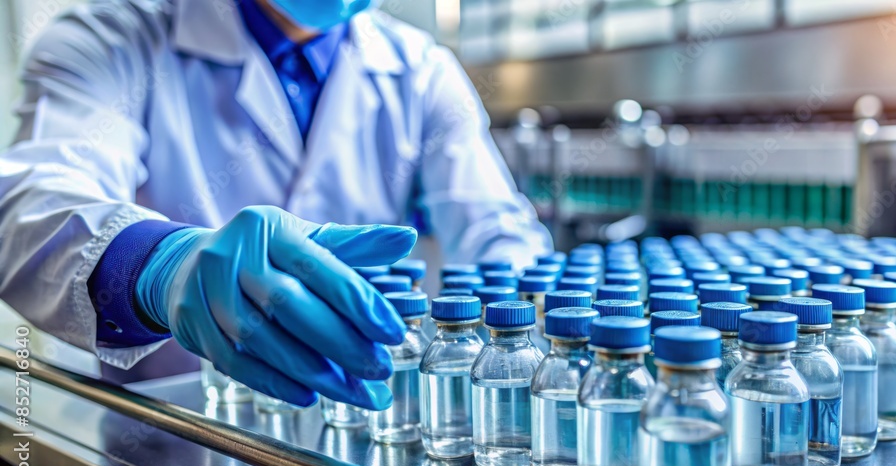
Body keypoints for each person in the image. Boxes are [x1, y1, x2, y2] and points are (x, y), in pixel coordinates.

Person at [0, 0, 551, 409]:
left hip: (363, 438)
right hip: (176, 444)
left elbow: (496, 234)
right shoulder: (118, 36)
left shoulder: (421, 70)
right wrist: (160, 268)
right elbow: (28, 207)